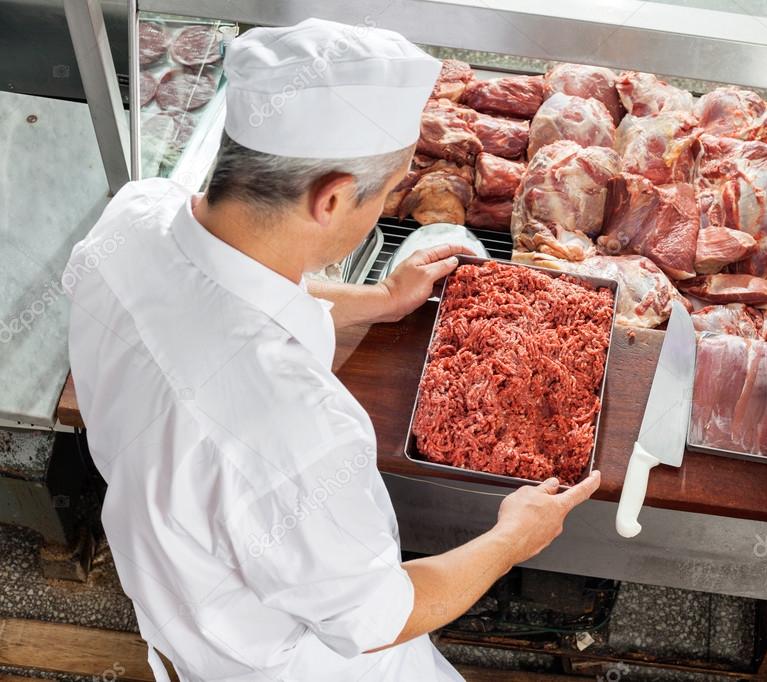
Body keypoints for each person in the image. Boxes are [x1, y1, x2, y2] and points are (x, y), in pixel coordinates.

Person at [65, 18, 600, 682]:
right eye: (388, 191)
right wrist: (512, 538)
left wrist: (376, 302)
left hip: (172, 573)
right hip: (293, 662)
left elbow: (213, 291)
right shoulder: (293, 431)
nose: (381, 210)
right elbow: (373, 617)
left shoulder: (137, 213)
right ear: (333, 199)